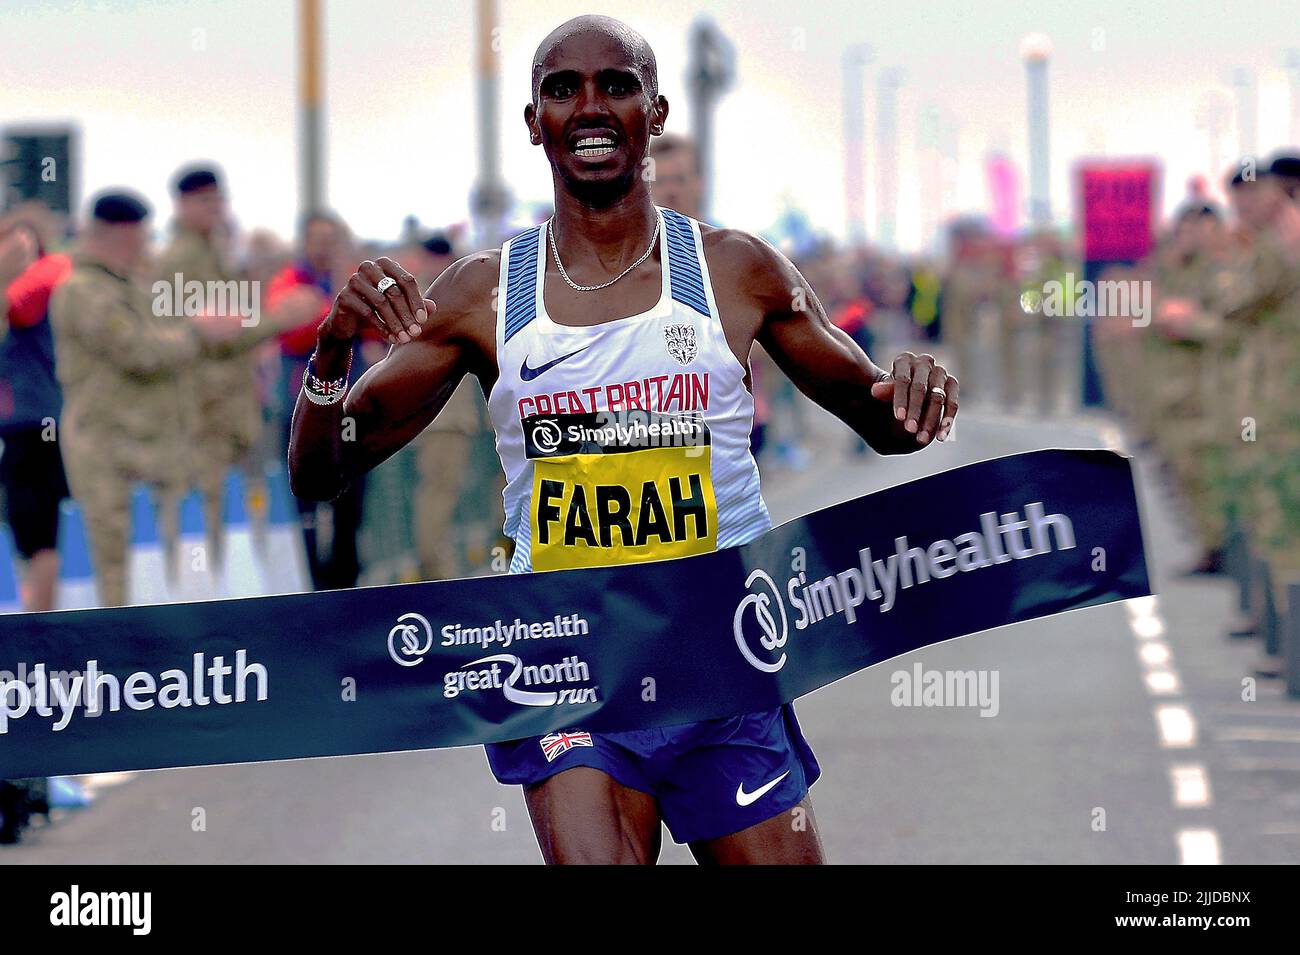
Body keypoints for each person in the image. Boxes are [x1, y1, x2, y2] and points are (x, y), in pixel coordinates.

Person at [289, 15, 959, 864]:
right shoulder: (479, 294)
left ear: (657, 111)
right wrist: (332, 350)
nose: (591, 106)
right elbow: (321, 469)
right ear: (535, 124)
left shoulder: (736, 271)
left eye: (618, 84)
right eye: (562, 89)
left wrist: (913, 392)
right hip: (567, 654)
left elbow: (880, 420)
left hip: (721, 650)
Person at [48, 191, 199, 607]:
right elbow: (139, 350)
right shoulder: (83, 291)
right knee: (113, 564)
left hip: (142, 448)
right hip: (106, 450)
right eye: (140, 236)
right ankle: (115, 664)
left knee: (146, 563)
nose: (144, 245)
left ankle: (144, 662)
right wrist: (198, 335)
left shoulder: (126, 286)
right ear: (119, 233)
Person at [0, 207, 71, 612]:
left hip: (38, 423)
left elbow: (15, 307)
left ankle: (39, 619)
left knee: (40, 530)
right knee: (28, 529)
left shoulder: (45, 276)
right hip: (20, 424)